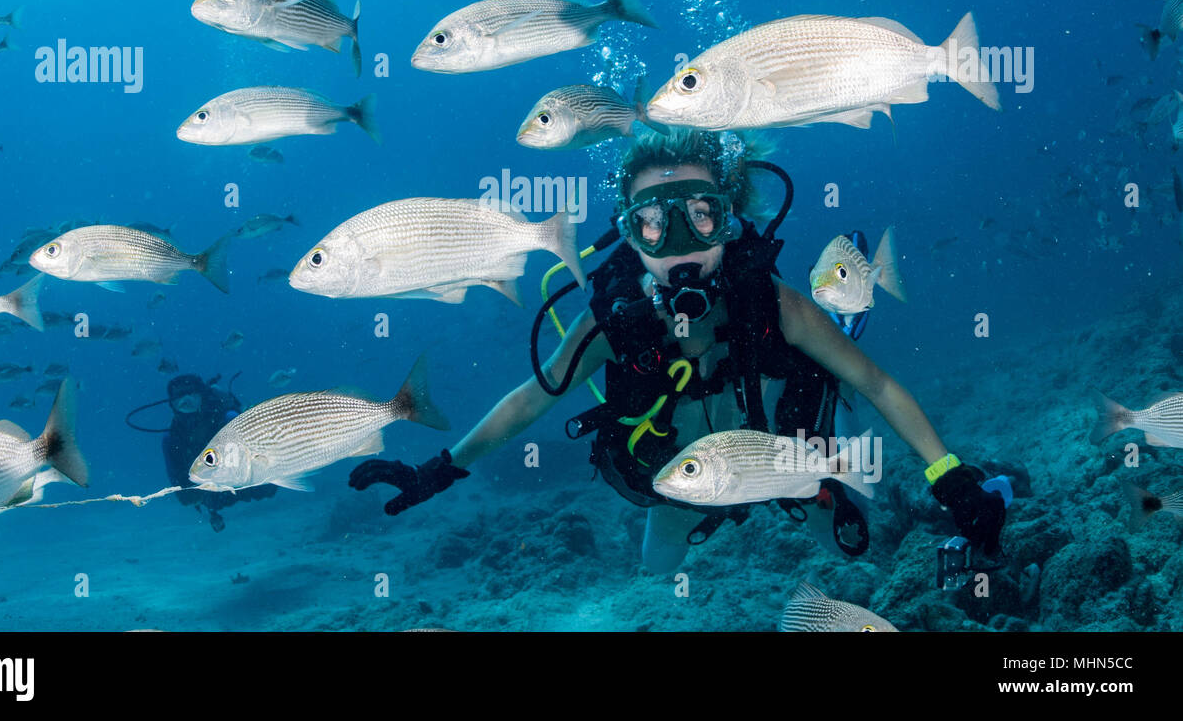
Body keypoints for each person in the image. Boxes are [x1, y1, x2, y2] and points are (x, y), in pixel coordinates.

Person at [351, 130, 1006, 573]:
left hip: (784, 461)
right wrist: (440, 468)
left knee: (853, 554)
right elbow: (531, 400)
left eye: (700, 216)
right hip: (673, 483)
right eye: (652, 224)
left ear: (728, 220)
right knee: (655, 580)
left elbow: (878, 384)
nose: (679, 244)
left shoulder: (770, 301)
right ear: (630, 237)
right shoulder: (612, 318)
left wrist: (947, 473)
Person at [127, 373, 276, 532]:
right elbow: (183, 492)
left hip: (246, 480)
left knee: (266, 489)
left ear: (202, 395)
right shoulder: (171, 437)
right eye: (178, 396)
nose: (185, 400)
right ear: (172, 403)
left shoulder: (227, 418)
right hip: (213, 494)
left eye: (191, 393)